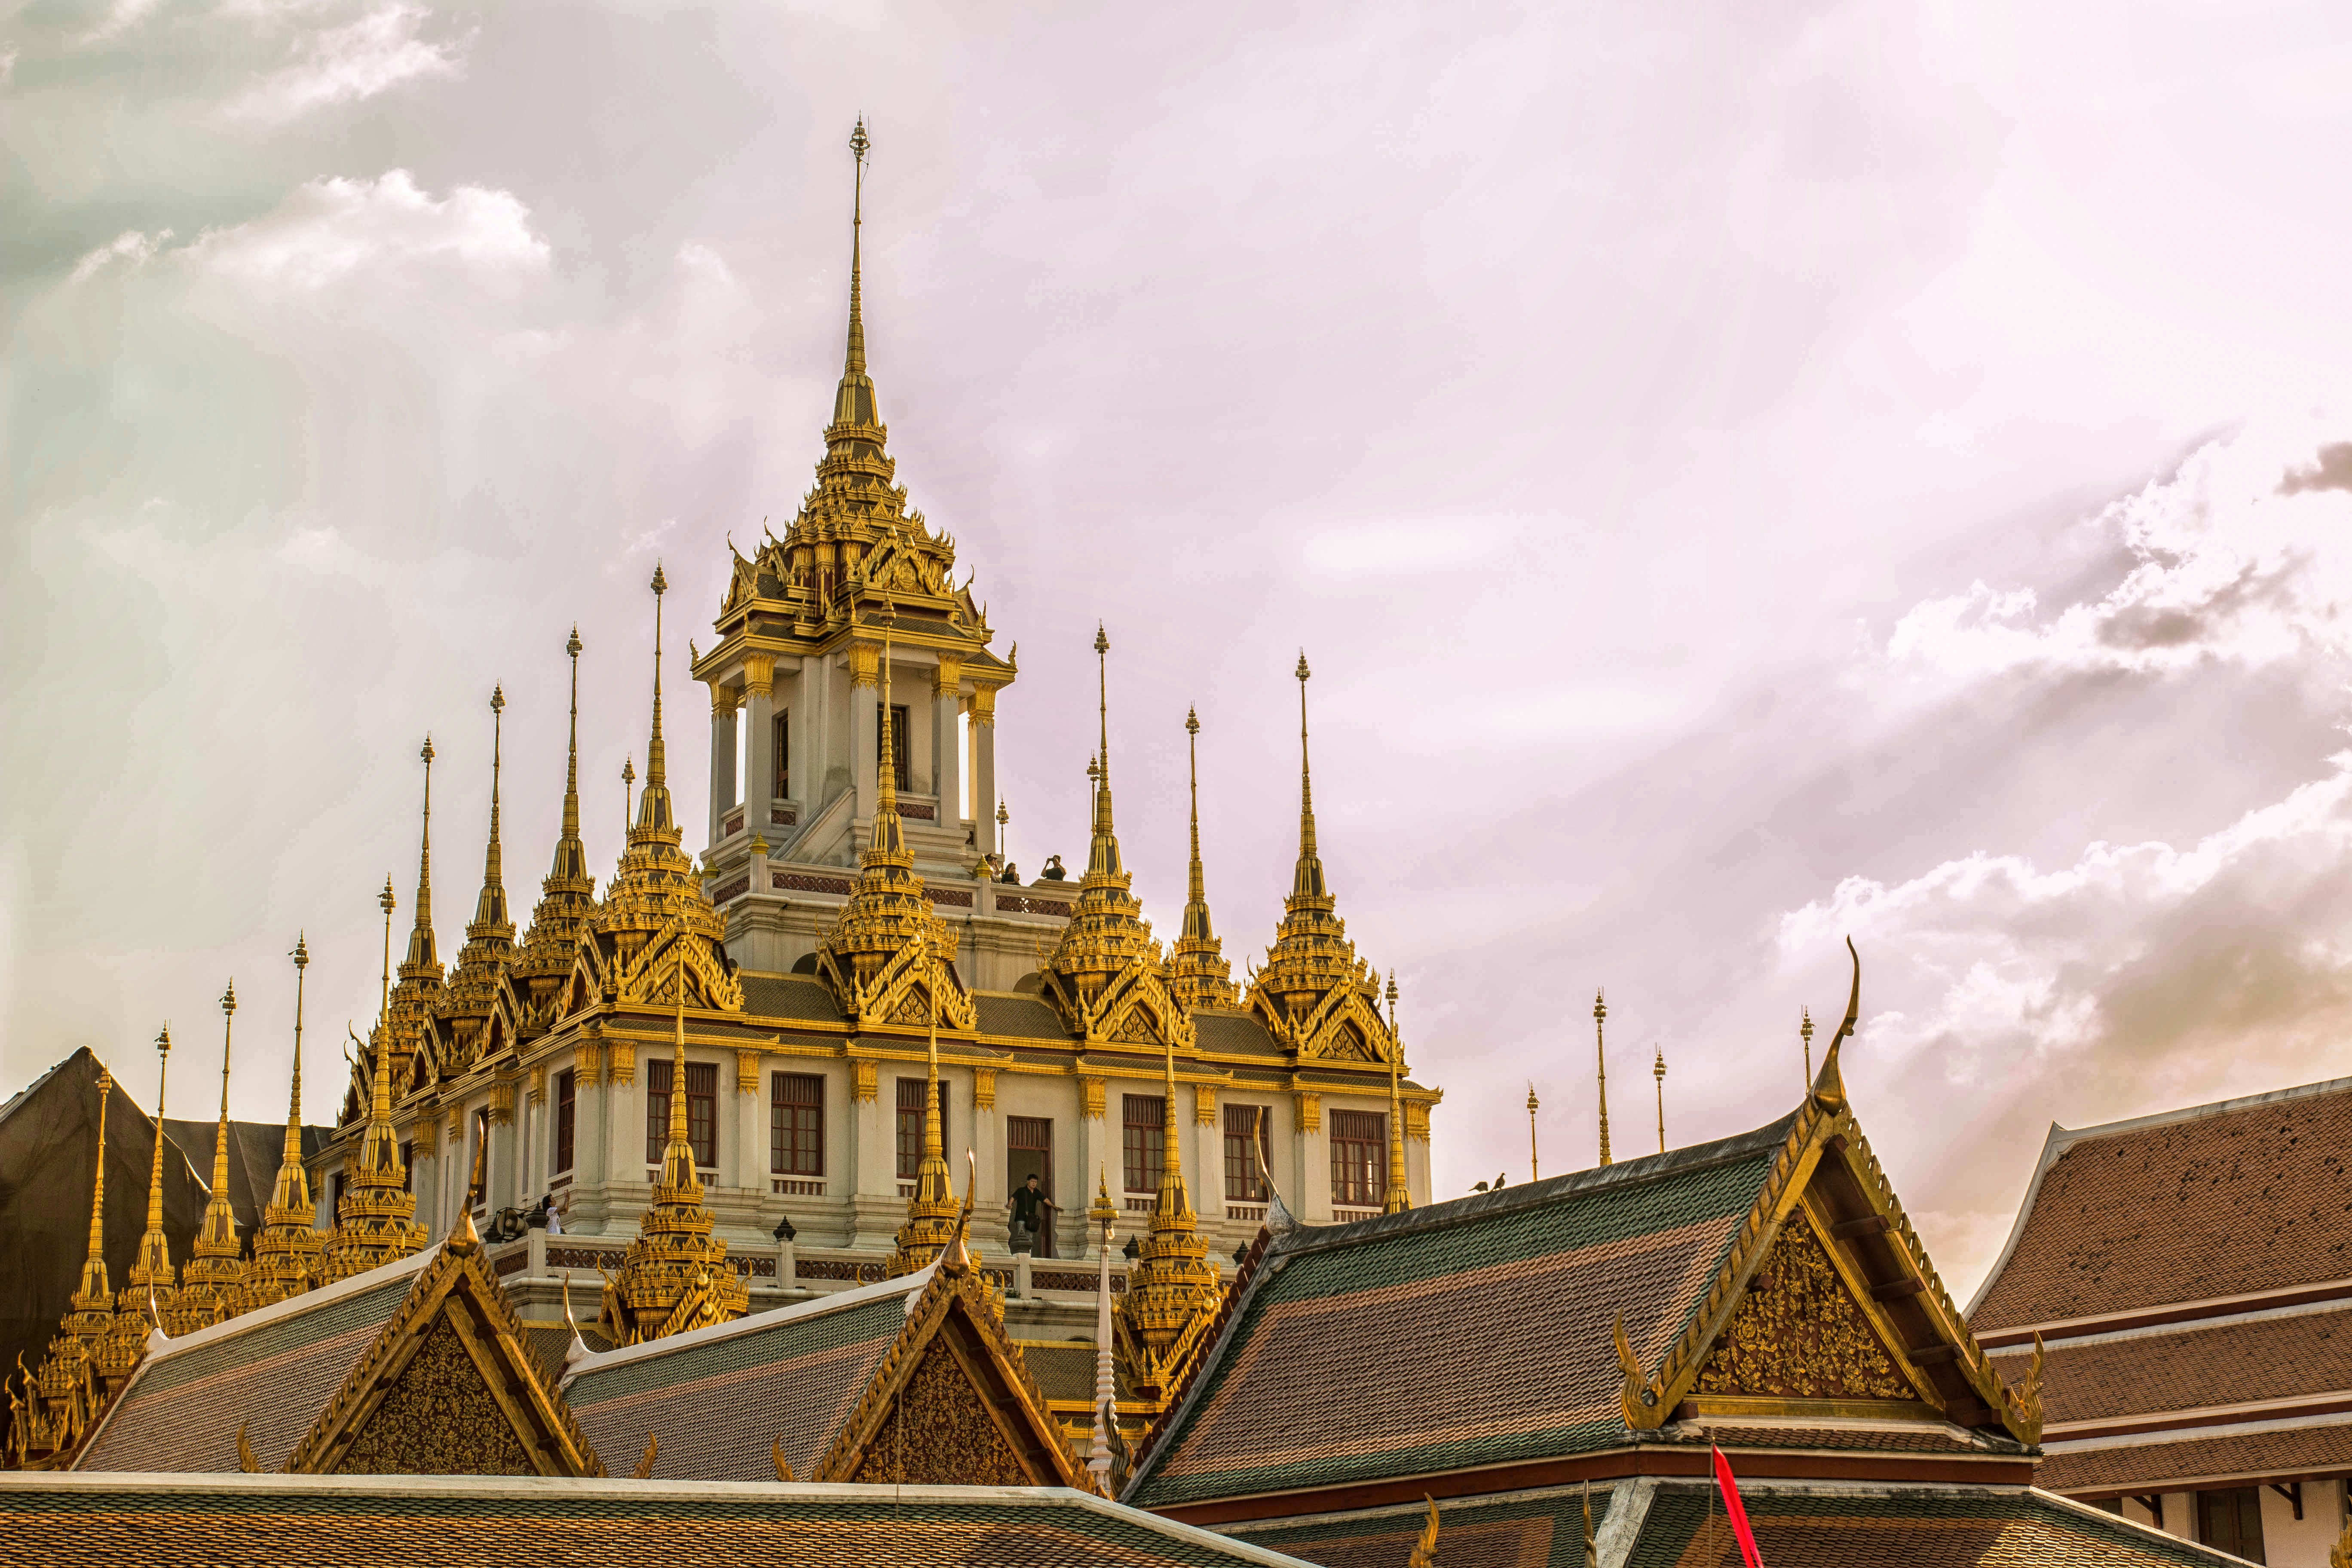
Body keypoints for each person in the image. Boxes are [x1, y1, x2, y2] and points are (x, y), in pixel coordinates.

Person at [1010, 1174, 1047, 1254]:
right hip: (1021, 1218)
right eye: (1032, 1181)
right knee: (1021, 1237)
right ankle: (1021, 1255)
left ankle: (1028, 1255)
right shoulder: (1021, 1190)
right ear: (1028, 1182)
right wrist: (1010, 1204)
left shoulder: (1036, 1192)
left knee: (1030, 1238)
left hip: (1031, 1220)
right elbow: (1013, 1198)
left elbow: (1045, 1200)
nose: (1034, 1183)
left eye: (1035, 1182)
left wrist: (1054, 1207)